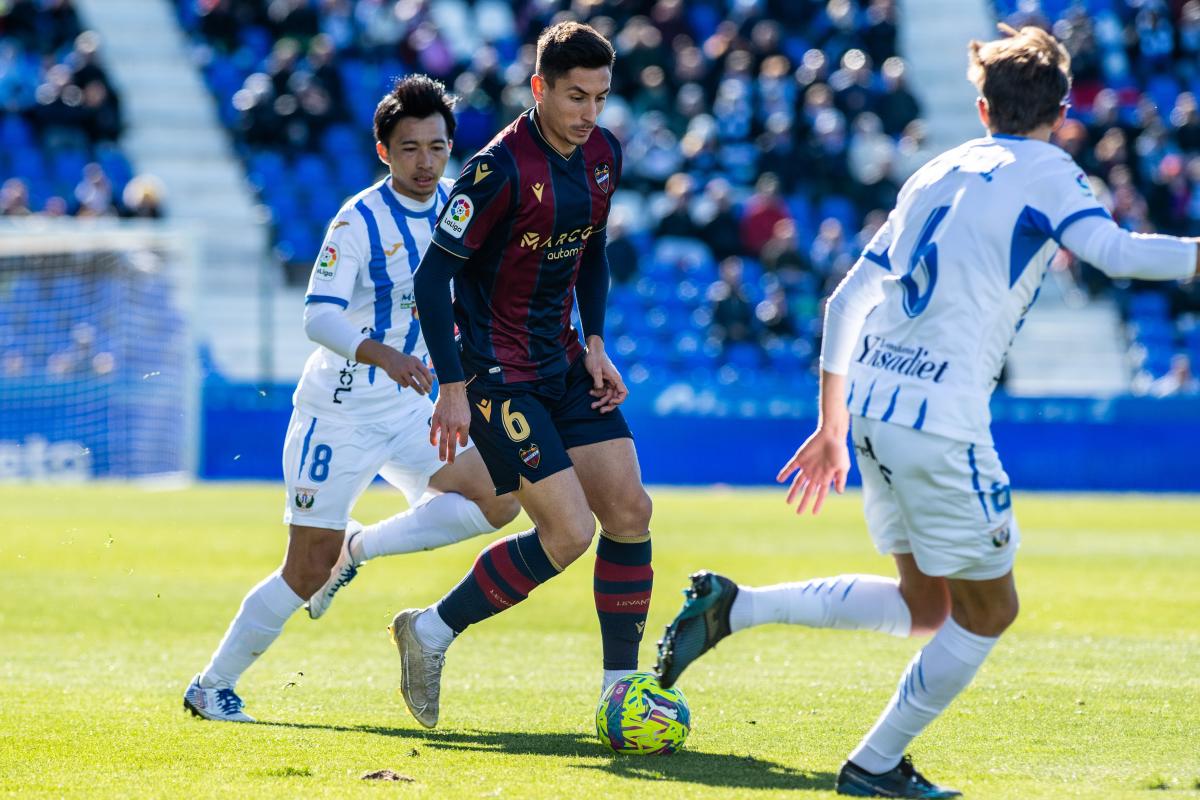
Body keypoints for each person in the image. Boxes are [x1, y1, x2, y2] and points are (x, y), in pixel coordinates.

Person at [655, 24, 1200, 798]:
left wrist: (832, 421)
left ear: (982, 107)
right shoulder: (1053, 172)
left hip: (875, 400)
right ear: (1063, 109)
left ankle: (735, 609)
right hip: (941, 416)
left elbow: (849, 297)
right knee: (991, 608)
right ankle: (873, 766)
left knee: (924, 603)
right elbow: (1111, 253)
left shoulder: (937, 171)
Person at [183, 76, 519, 723]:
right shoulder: (359, 219)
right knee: (303, 569)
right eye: (410, 147)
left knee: (500, 496)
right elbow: (318, 316)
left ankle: (356, 550)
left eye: (437, 147)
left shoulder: (458, 207)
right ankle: (210, 685)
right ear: (383, 150)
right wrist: (383, 354)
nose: (425, 162)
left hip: (409, 409)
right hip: (336, 416)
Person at [403, 21, 655, 729]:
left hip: (567, 362)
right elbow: (431, 283)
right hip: (497, 376)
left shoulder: (603, 154)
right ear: (539, 88)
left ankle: (621, 692)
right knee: (569, 534)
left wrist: (597, 341)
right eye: (575, 97)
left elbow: (594, 251)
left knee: (631, 513)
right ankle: (429, 631)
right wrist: (453, 388)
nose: (588, 114)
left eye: (600, 98)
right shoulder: (495, 171)